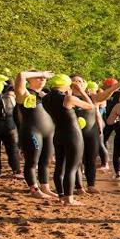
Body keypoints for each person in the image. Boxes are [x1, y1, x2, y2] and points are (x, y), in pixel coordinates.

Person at [44, 74, 97, 205]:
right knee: (72, 168)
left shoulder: (46, 98)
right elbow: (91, 107)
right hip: (73, 135)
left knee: (59, 167)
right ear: (66, 85)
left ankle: (61, 195)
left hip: (58, 134)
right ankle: (69, 198)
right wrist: (82, 92)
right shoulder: (68, 98)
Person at [13, 70, 58, 198]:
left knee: (45, 162)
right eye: (38, 78)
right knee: (32, 162)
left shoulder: (46, 94)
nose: (42, 79)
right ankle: (34, 189)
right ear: (29, 80)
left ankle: (45, 187)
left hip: (49, 132)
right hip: (32, 131)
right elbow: (21, 74)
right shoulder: (24, 93)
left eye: (43, 78)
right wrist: (42, 72)